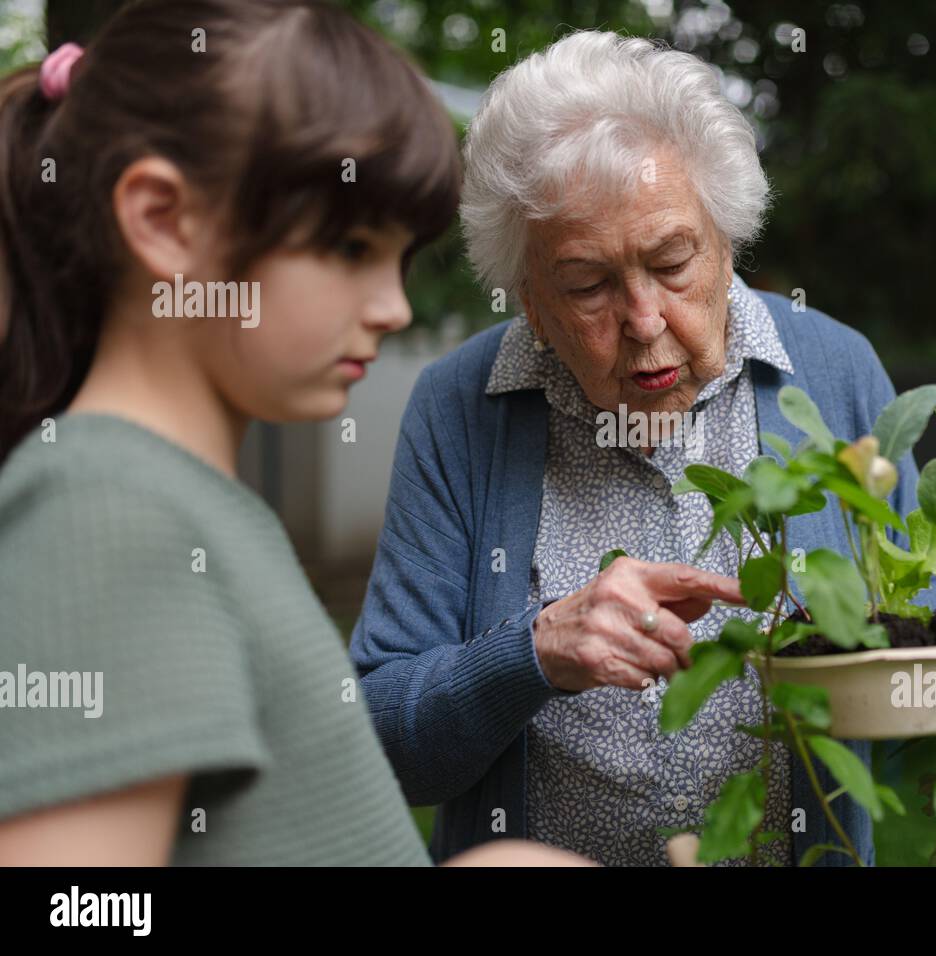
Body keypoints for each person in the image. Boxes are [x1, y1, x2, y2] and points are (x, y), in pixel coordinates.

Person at [350, 29, 936, 867]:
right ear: (526, 296)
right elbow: (377, 731)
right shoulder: (459, 410)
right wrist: (534, 652)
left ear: (727, 236)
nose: (644, 321)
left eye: (673, 262)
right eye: (588, 284)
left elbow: (917, 637)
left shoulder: (836, 371)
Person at [0, 0, 585, 868]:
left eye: (399, 259)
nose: (392, 307)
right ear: (163, 220)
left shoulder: (186, 503)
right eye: (350, 247)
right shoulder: (109, 511)